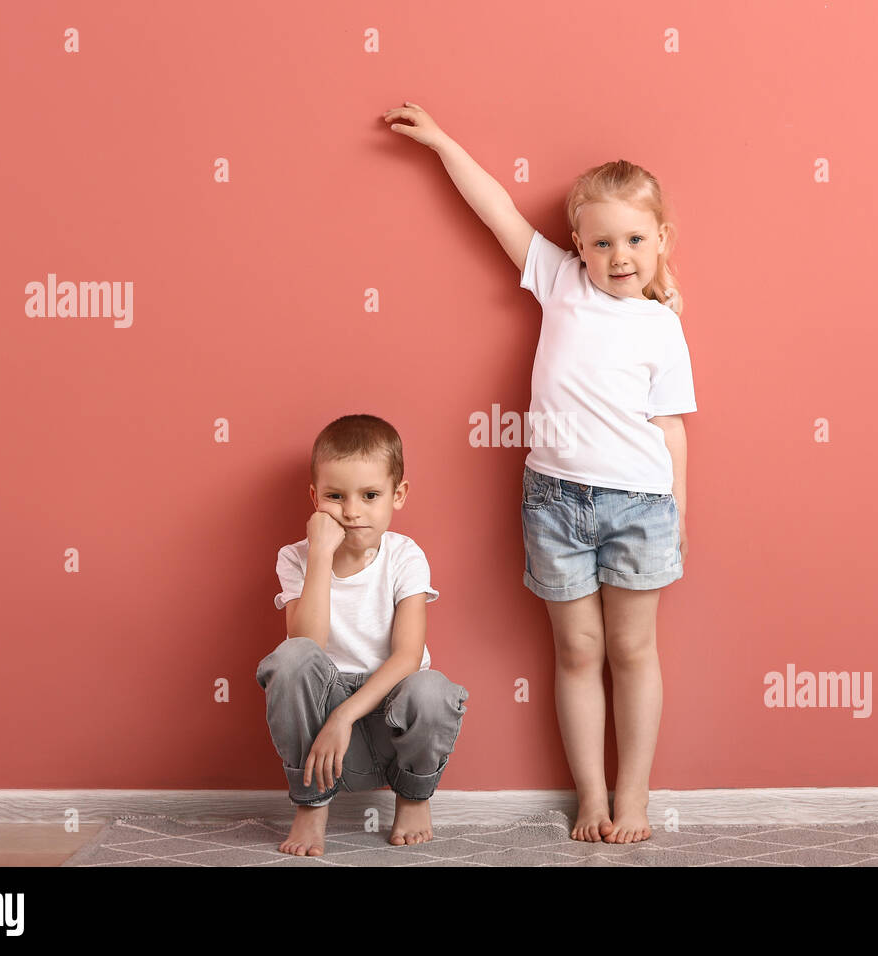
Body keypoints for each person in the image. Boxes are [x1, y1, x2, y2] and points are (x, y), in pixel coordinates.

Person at [382, 102, 696, 844]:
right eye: (602, 242)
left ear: (661, 242)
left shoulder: (663, 325)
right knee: (578, 651)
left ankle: (636, 799)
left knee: (633, 650)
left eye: (635, 240)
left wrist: (678, 512)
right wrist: (441, 143)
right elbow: (494, 208)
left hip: (641, 505)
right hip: (554, 500)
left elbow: (672, 426)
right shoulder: (560, 282)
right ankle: (590, 798)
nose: (619, 255)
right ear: (578, 246)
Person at [256, 414, 469, 856]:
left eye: (370, 495)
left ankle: (413, 798)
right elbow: (306, 645)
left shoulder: (404, 555)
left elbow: (408, 656)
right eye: (335, 497)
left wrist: (345, 717)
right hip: (324, 743)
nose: (352, 511)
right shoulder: (295, 558)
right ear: (315, 499)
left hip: (384, 719)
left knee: (432, 689)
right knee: (290, 659)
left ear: (399, 494)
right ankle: (312, 806)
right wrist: (320, 552)